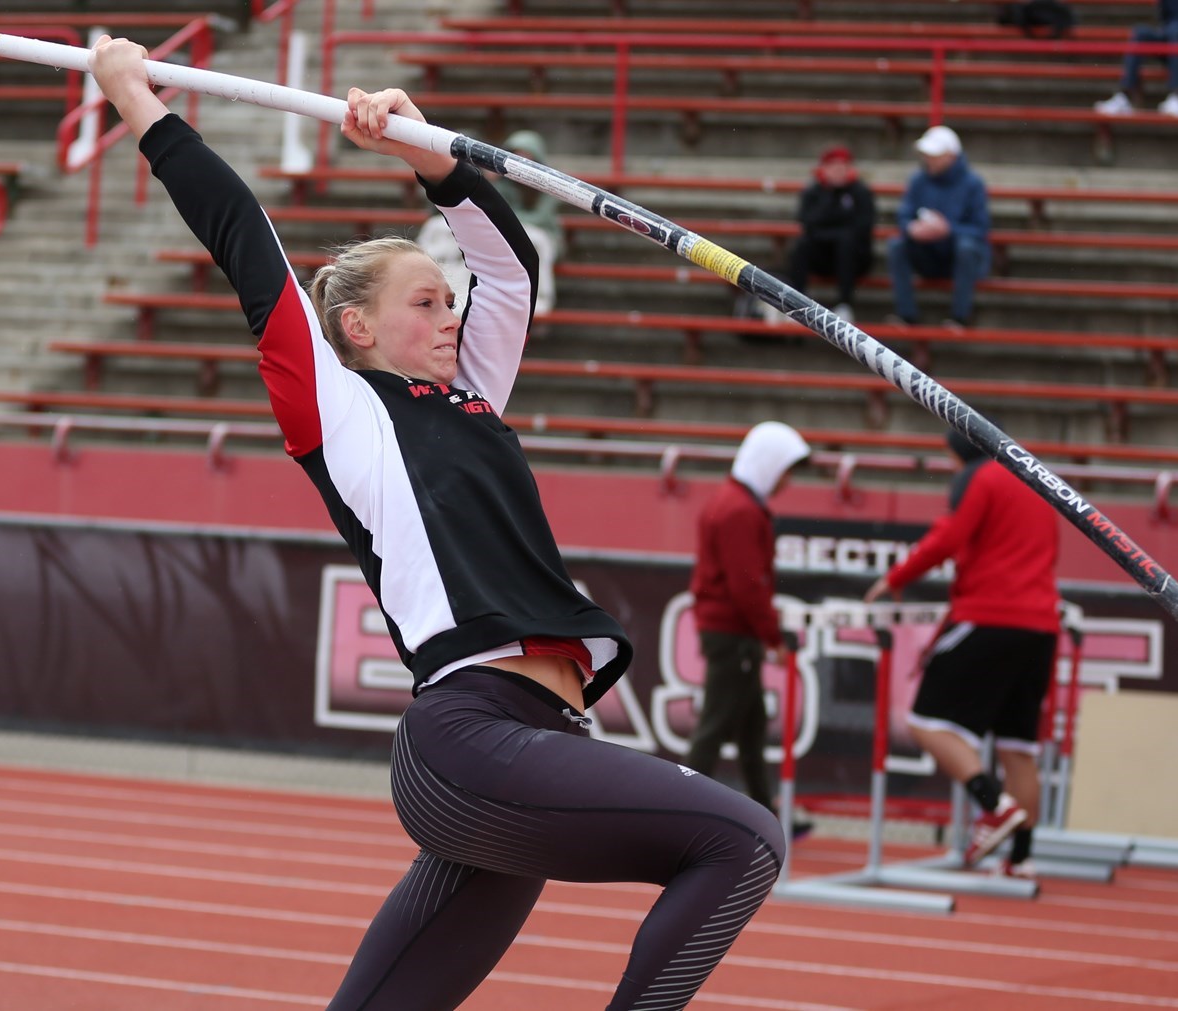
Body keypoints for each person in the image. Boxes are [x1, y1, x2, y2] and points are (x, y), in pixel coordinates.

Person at [89, 36, 782, 1011]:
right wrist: (138, 104)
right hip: (473, 739)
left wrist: (426, 153)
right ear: (360, 329)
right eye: (426, 301)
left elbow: (511, 270)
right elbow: (245, 235)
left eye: (449, 300)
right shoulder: (342, 413)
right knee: (744, 841)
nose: (452, 315)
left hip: (533, 741)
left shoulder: (470, 401)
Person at [863, 429, 1061, 877]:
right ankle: (1022, 858)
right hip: (1041, 625)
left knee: (927, 722)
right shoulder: (1036, 478)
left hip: (990, 615)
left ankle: (993, 806)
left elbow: (951, 536)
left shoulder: (980, 476)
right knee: (1018, 748)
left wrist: (897, 577)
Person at [686, 421, 812, 825]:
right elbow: (748, 585)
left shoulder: (731, 502)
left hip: (731, 632)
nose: (787, 481)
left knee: (750, 726)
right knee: (718, 724)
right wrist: (772, 637)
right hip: (733, 634)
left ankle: (765, 808)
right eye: (786, 470)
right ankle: (682, 807)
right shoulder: (740, 510)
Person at [416, 128, 561, 316]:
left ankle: (538, 297)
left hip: (539, 235)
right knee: (440, 231)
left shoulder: (546, 185)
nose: (522, 160)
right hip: (506, 230)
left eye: (527, 156)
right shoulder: (501, 181)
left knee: (535, 242)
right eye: (517, 155)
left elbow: (537, 217)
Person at [886, 125, 992, 329]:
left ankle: (961, 317)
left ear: (951, 156)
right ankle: (906, 315)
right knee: (897, 246)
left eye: (934, 155)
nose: (928, 159)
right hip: (929, 254)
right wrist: (912, 229)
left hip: (958, 257)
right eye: (927, 154)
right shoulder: (918, 180)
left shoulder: (972, 184)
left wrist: (948, 230)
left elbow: (980, 228)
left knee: (966, 247)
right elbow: (904, 216)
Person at [780, 145, 874, 324]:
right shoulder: (814, 192)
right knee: (802, 246)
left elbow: (862, 228)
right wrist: (834, 205)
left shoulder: (860, 192)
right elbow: (808, 224)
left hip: (853, 258)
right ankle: (795, 305)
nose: (838, 171)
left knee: (846, 243)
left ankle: (845, 305)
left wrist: (831, 226)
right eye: (833, 166)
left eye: (843, 166)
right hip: (822, 255)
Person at [1093, 0, 1178, 118]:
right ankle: (1125, 96)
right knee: (1141, 32)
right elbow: (1163, 20)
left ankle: (1176, 97)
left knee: (1177, 31)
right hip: (1173, 43)